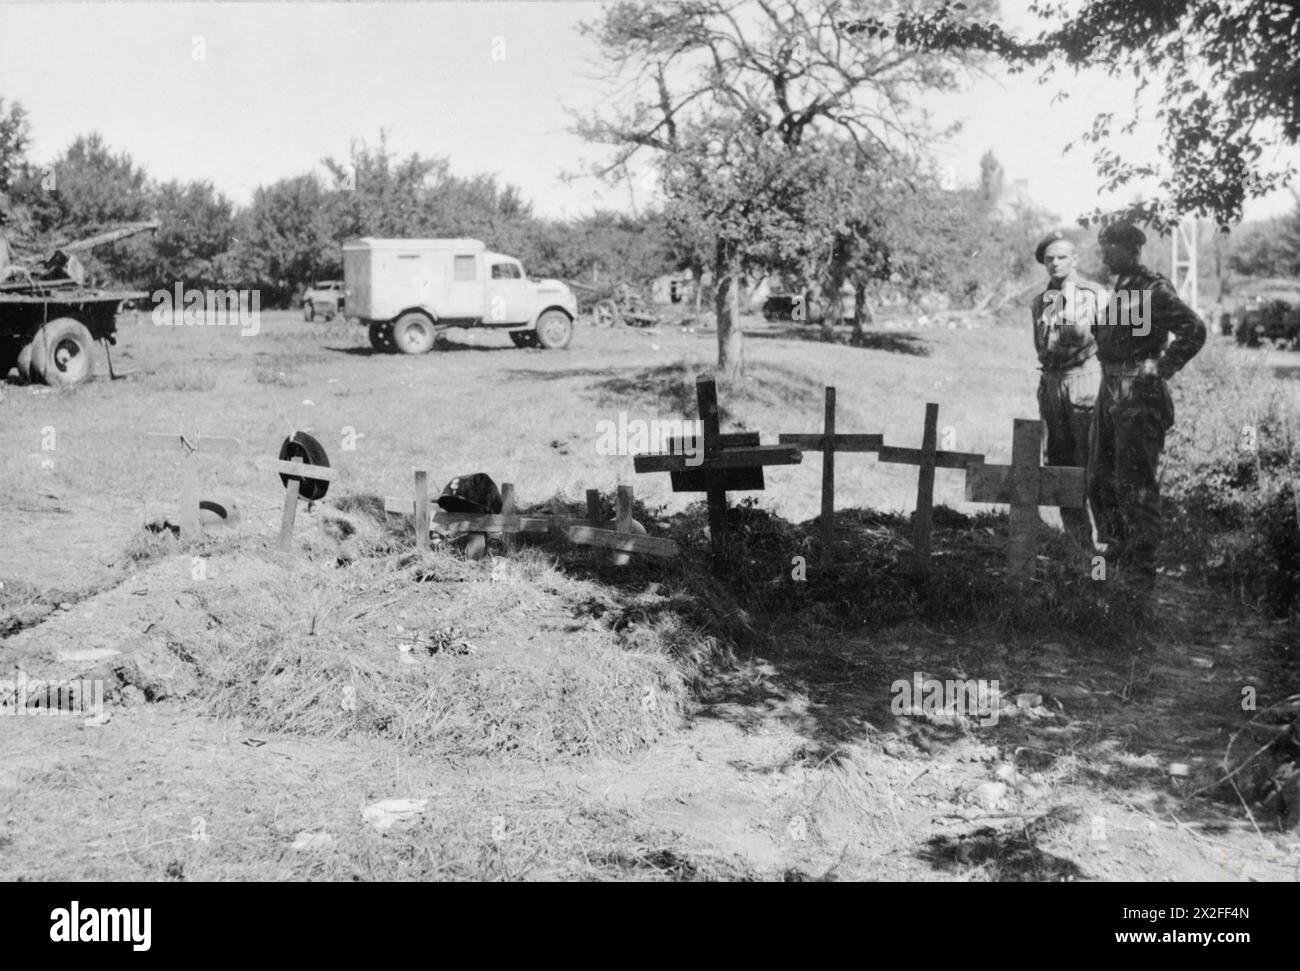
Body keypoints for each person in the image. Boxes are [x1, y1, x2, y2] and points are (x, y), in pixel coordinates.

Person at [1090, 222, 1206, 595]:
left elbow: (1194, 328)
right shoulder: (1118, 290)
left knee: (1135, 484)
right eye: (1102, 246)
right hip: (1109, 391)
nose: (1104, 253)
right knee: (1098, 479)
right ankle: (1113, 561)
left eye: (1111, 247)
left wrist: (1163, 367)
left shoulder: (1154, 290)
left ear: (1132, 250)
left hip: (1138, 396)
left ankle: (1139, 581)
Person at [1030, 230, 1103, 548]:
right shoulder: (1041, 300)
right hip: (1053, 384)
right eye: (1049, 258)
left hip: (1085, 380)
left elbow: (1113, 340)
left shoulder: (1097, 295)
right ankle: (1079, 544)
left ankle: (1108, 545)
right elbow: (1042, 344)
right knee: (1059, 462)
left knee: (1093, 460)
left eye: (1062, 257)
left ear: (1075, 259)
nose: (1055, 263)